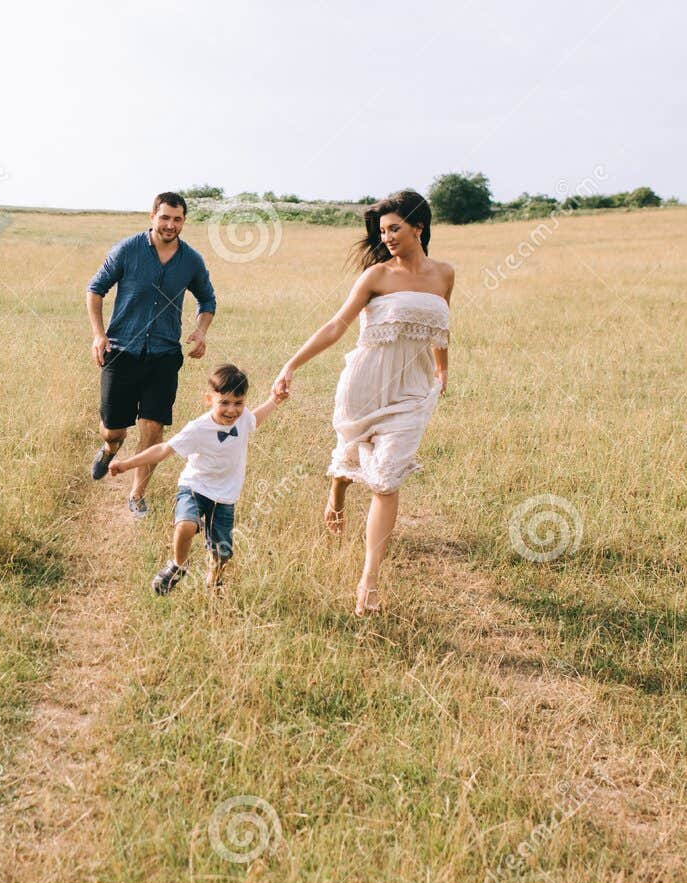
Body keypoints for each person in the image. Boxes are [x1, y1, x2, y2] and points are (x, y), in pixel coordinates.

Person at [273, 190, 453, 616]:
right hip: (366, 384)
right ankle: (337, 490)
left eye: (394, 228)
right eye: (382, 231)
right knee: (352, 452)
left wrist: (442, 369)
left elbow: (441, 327)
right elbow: (337, 324)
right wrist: (291, 365)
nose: (386, 237)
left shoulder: (444, 274)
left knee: (385, 481)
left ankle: (368, 581)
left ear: (419, 227)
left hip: (412, 392)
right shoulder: (376, 276)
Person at [86, 192, 217, 517]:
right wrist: (99, 335)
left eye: (177, 219)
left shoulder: (191, 260)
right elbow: (95, 289)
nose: (171, 225)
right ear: (152, 216)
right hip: (121, 352)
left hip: (164, 355)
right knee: (114, 430)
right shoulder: (127, 250)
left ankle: (137, 494)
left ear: (184, 221)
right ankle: (109, 449)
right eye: (165, 217)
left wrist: (201, 331)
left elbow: (207, 300)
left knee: (153, 429)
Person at [110, 363, 284, 591]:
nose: (232, 410)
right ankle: (178, 565)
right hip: (195, 486)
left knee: (222, 552)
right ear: (209, 399)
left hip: (225, 495)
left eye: (238, 403)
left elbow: (255, 419)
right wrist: (126, 464)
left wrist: (274, 400)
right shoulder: (197, 428)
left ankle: (214, 583)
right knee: (186, 525)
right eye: (224, 403)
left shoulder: (242, 419)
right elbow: (163, 450)